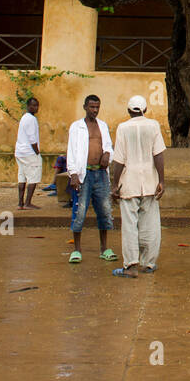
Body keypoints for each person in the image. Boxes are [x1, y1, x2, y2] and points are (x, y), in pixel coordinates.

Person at [108, 95, 166, 278]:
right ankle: (149, 263)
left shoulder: (123, 128)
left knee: (129, 226)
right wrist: (161, 181)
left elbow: (119, 160)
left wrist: (115, 184)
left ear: (128, 111)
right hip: (150, 182)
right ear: (145, 110)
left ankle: (131, 266)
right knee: (151, 225)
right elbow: (158, 155)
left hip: (129, 183)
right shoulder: (154, 126)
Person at [66, 94, 116, 264]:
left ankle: (104, 249)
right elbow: (71, 151)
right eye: (92, 107)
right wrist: (73, 174)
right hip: (83, 175)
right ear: (85, 107)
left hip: (100, 174)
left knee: (105, 211)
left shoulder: (103, 126)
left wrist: (107, 155)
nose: (94, 110)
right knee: (79, 212)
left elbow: (108, 146)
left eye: (97, 107)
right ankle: (77, 250)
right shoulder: (76, 127)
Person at [14, 97, 42, 209]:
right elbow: (32, 139)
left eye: (36, 105)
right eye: (33, 105)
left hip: (20, 152)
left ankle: (20, 203)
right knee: (33, 177)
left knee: (22, 177)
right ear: (28, 106)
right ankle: (27, 203)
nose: (35, 107)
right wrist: (37, 153)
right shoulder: (31, 119)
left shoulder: (24, 117)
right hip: (29, 153)